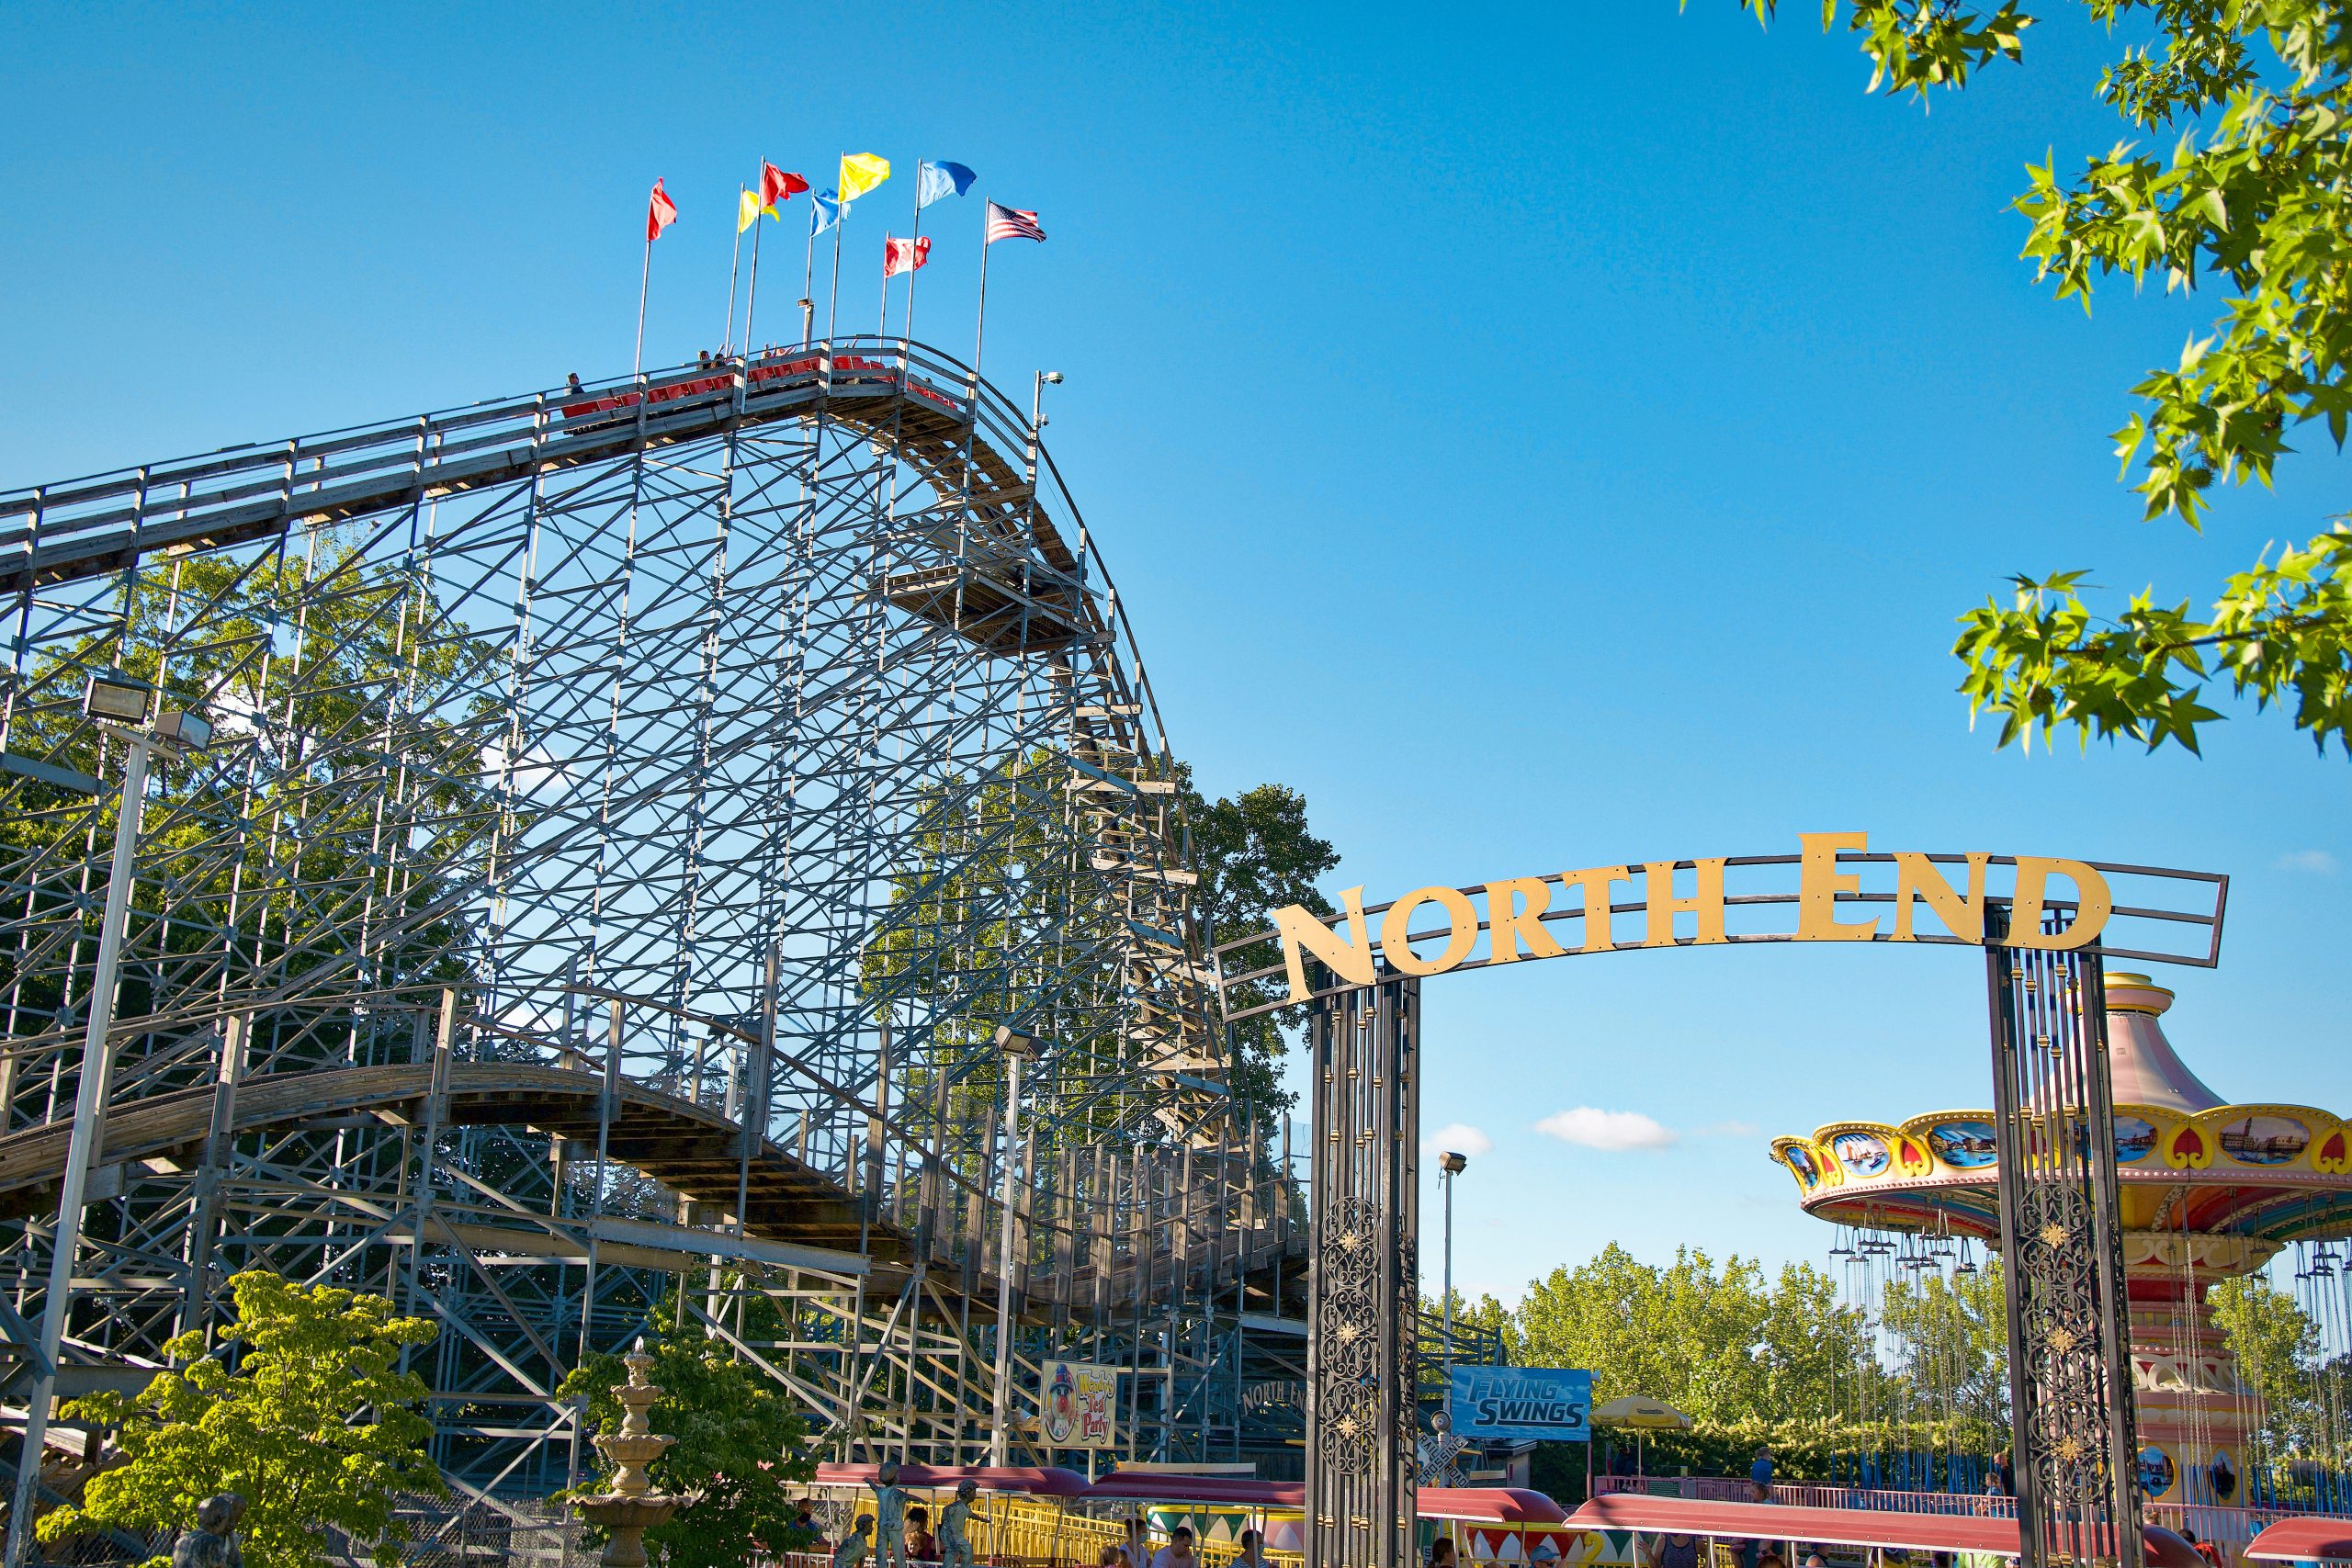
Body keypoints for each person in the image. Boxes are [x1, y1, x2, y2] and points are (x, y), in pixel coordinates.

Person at [172, 1494, 247, 1568]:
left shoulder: (182, 1540)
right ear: (220, 1519)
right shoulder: (212, 1541)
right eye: (228, 1519)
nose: (233, 1525)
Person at [872, 1461, 910, 1568]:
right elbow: (909, 1496)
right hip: (894, 1528)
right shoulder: (897, 1493)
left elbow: (874, 1488)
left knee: (881, 1555)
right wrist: (921, 1500)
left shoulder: (881, 1491)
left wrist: (869, 1481)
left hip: (882, 1527)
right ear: (894, 1478)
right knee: (899, 1556)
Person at [938, 1479, 978, 1568]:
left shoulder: (965, 1507)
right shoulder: (957, 1506)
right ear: (967, 1494)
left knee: (967, 1548)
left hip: (958, 1535)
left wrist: (985, 1520)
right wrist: (944, 1519)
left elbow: (971, 1514)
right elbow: (946, 1509)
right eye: (974, 1492)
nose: (975, 1495)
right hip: (949, 1532)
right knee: (952, 1549)